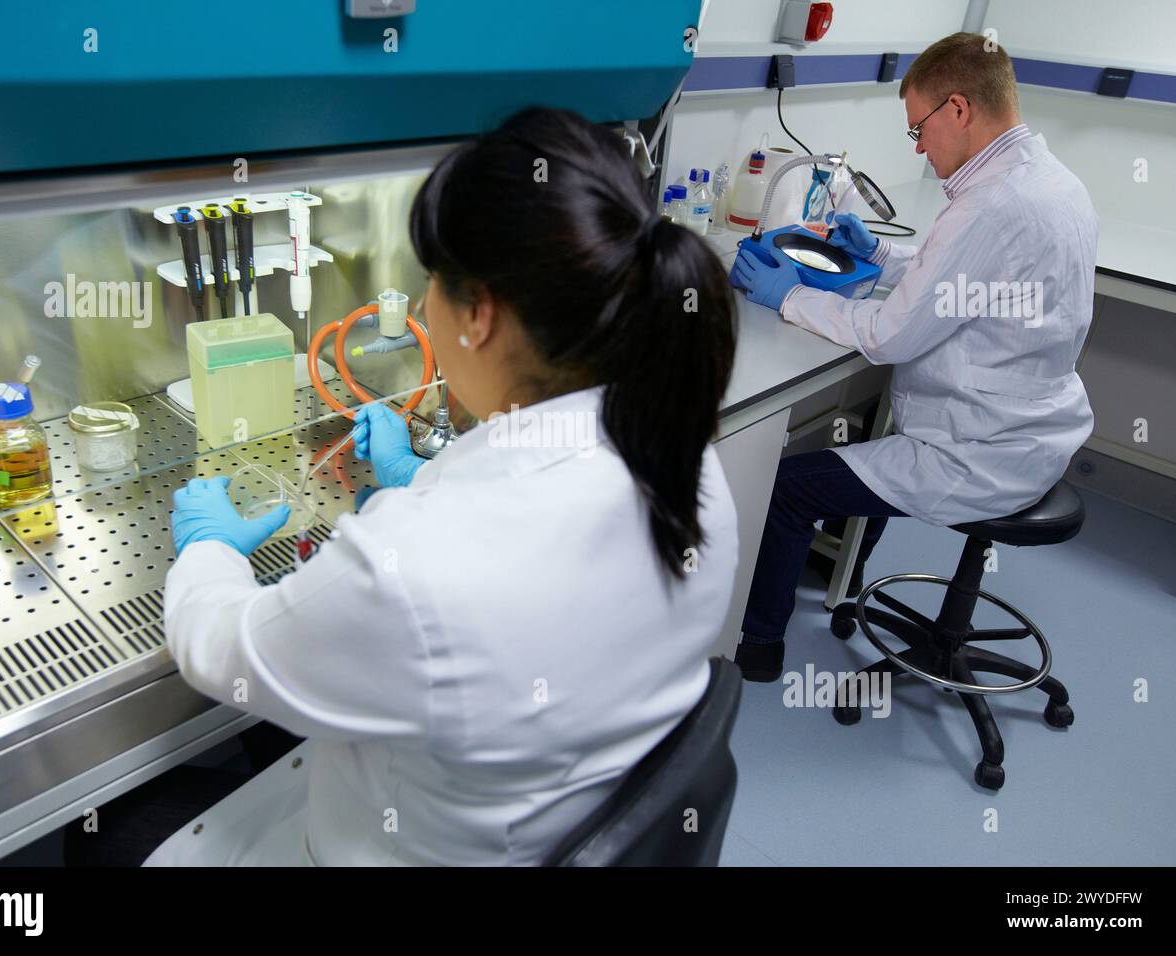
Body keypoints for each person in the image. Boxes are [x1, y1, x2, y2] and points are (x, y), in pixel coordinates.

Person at [145, 107, 740, 865]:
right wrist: (415, 478)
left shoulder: (416, 574)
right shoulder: (687, 457)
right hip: (548, 819)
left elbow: (224, 655)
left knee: (134, 835)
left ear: (479, 314)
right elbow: (532, 525)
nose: (423, 301)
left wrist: (205, 553)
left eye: (431, 280)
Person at [728, 31, 1098, 682]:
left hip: (976, 455)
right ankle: (844, 568)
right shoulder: (1050, 181)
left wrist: (787, 297)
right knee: (872, 432)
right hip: (1036, 436)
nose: (920, 148)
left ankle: (756, 652)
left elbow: (890, 336)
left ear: (958, 109)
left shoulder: (993, 204)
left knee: (786, 489)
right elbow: (961, 281)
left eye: (918, 129)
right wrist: (881, 255)